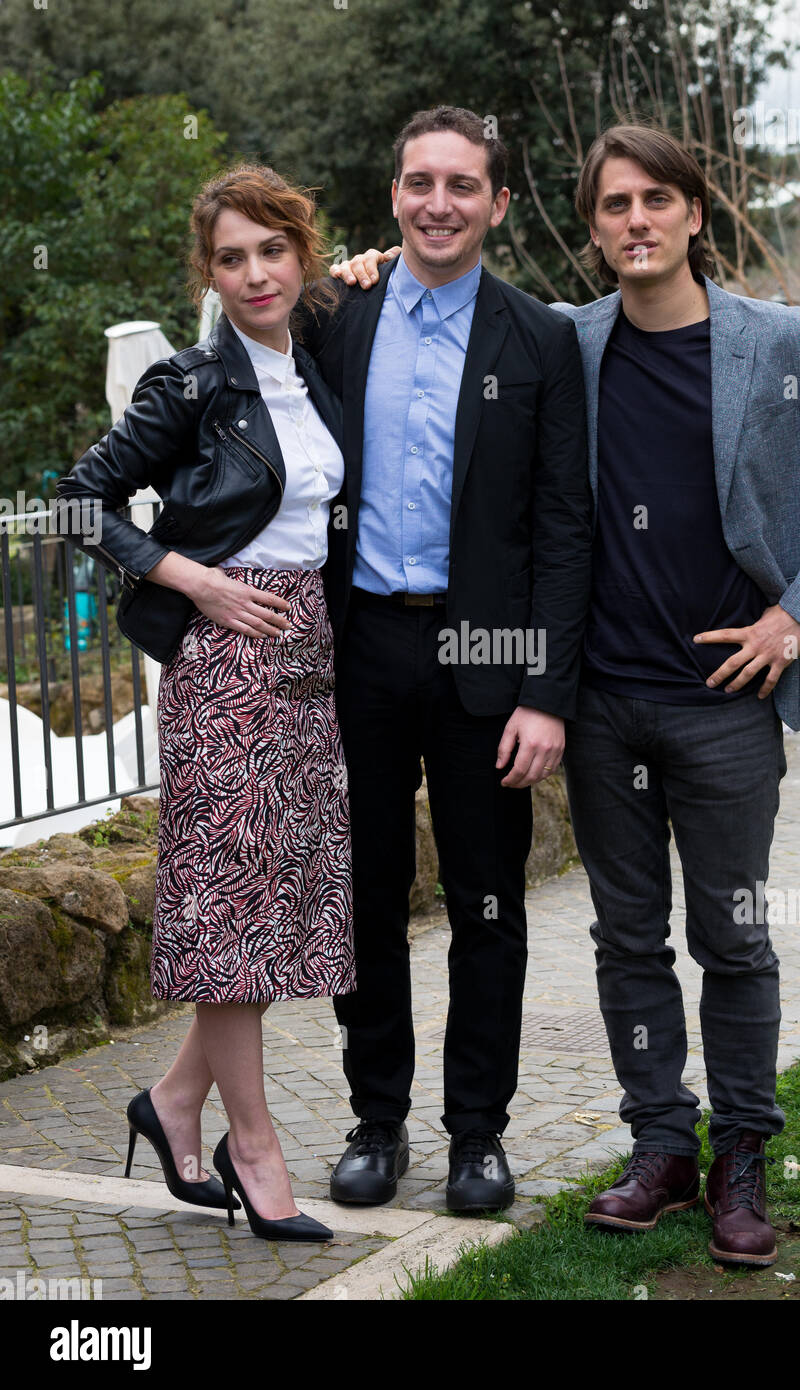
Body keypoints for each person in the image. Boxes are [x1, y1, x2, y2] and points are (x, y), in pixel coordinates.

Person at [332, 121, 800, 1263]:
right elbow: (455, 326)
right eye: (614, 206)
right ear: (591, 226)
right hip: (601, 701)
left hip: (725, 700)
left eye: (657, 199)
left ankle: (742, 1152)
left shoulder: (783, 340)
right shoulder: (568, 342)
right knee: (627, 939)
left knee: (735, 936)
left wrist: (797, 615)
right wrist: (363, 266)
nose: (636, 221)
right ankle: (659, 1142)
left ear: (695, 213)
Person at [294, 106, 593, 1212]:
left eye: (462, 185)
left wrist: (546, 693)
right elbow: (239, 353)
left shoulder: (539, 338)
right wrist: (326, 272)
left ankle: (478, 1134)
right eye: (420, 182)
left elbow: (563, 528)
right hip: (360, 640)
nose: (438, 203)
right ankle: (377, 1119)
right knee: (367, 899)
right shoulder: (338, 314)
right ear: (393, 194)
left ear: (498, 203)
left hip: (485, 652)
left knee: (485, 906)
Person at [55, 164, 353, 1242]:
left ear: (301, 254)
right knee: (231, 912)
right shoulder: (187, 383)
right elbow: (74, 498)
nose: (254, 272)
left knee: (280, 909)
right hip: (225, 667)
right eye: (231, 257)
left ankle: (175, 1098)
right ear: (208, 273)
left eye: (272, 249)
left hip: (309, 659)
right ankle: (255, 1147)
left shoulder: (314, 364)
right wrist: (187, 575)